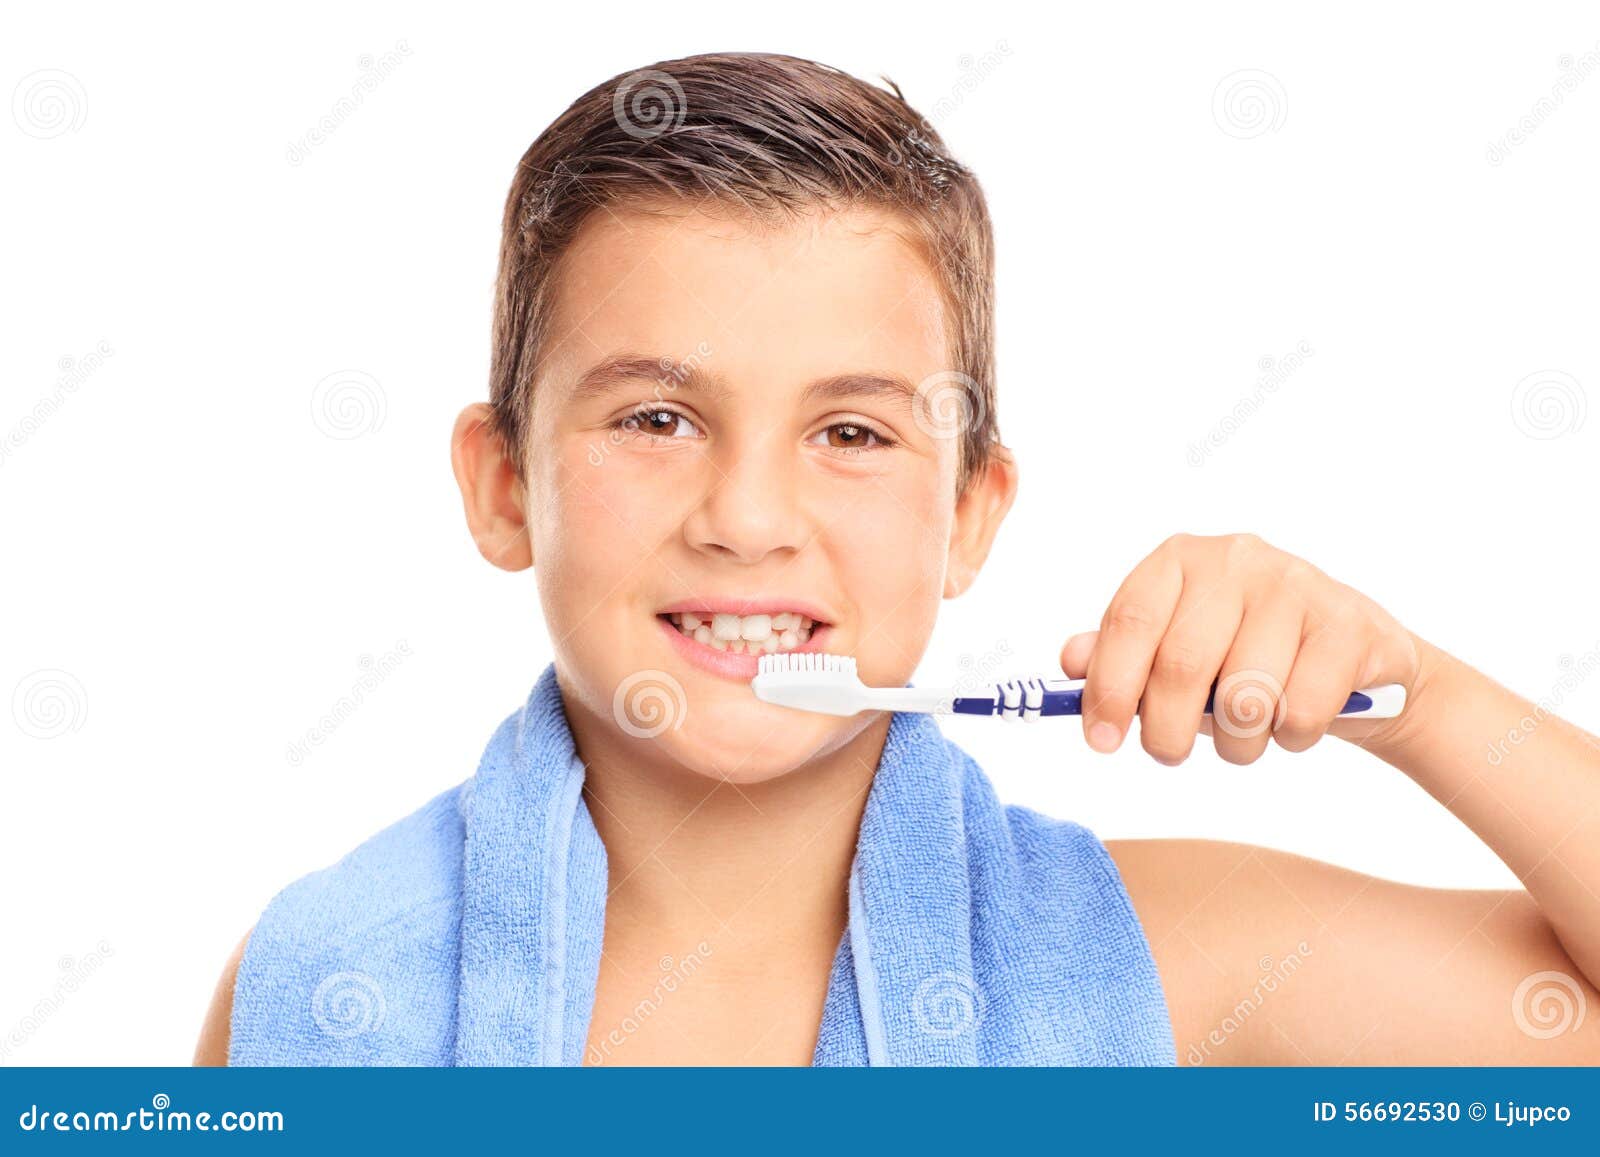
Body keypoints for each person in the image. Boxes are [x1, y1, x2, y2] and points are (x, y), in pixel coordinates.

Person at [196, 51, 1600, 1066]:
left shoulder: (1173, 964)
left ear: (971, 513)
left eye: (853, 433)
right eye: (657, 419)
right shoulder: (320, 994)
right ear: (504, 486)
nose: (748, 517)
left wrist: (1419, 698)